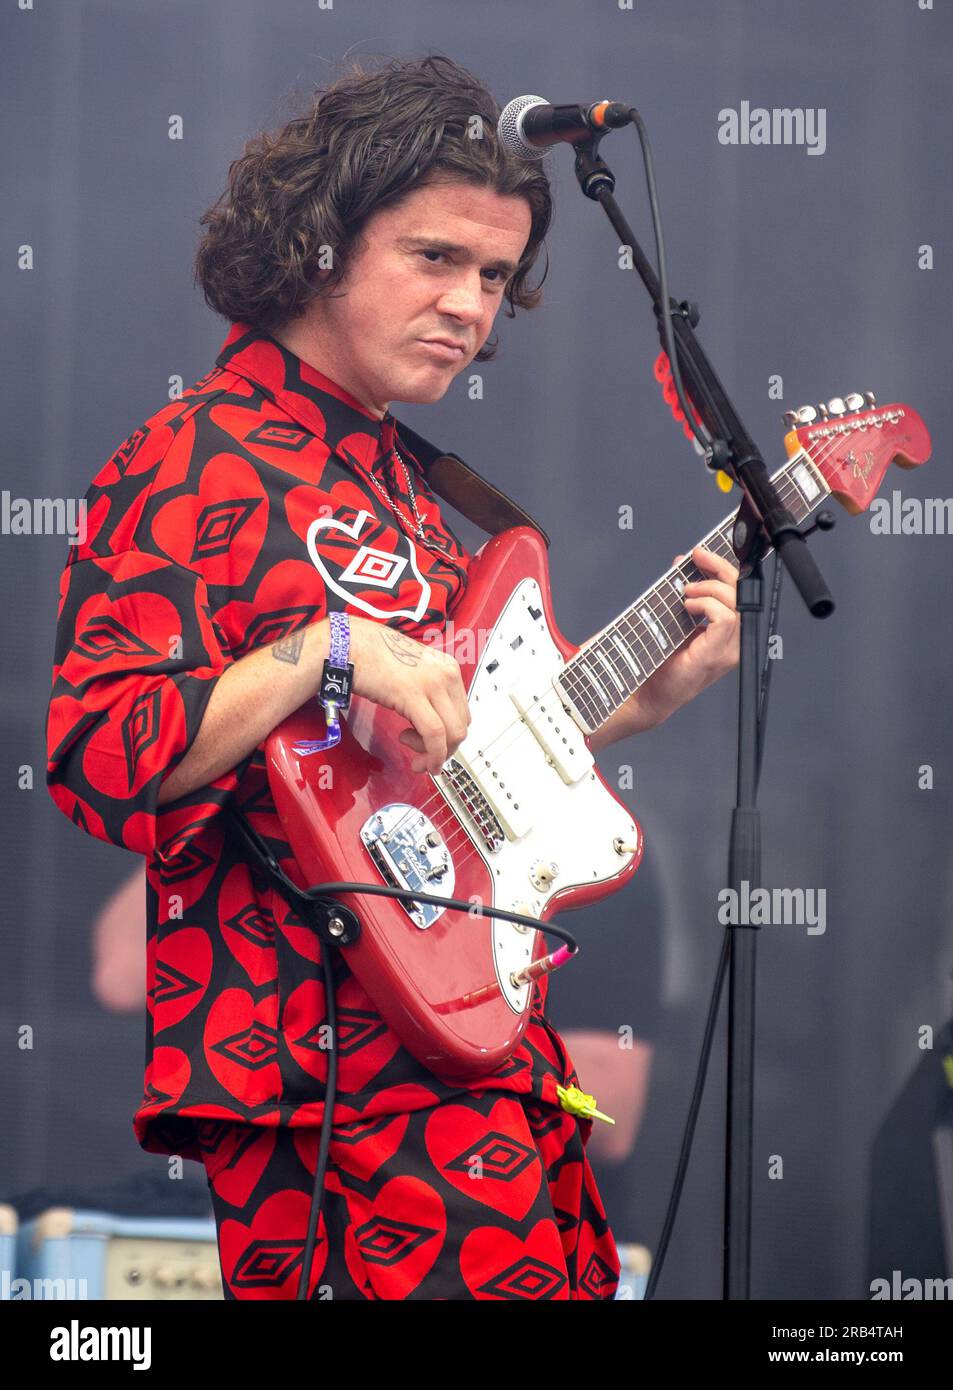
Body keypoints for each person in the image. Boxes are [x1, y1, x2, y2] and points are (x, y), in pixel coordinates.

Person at [45, 53, 740, 1301]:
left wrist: (641, 697)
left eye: (491, 276)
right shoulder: (190, 451)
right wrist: (318, 652)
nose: (470, 304)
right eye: (434, 259)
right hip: (322, 1073)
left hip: (485, 1044)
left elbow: (455, 767)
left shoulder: (415, 489)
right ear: (317, 243)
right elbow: (97, 754)